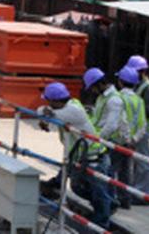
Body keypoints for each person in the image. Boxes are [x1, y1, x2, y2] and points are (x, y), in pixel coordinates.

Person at [38, 82, 113, 228]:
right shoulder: (68, 106)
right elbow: (42, 111)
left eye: (49, 101)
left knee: (99, 192)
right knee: (78, 187)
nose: (47, 103)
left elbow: (45, 113)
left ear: (55, 101)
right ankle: (106, 206)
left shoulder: (73, 111)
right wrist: (45, 116)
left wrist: (45, 116)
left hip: (94, 157)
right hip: (79, 157)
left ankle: (102, 222)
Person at [84, 66, 128, 212]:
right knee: (105, 176)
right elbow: (99, 118)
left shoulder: (114, 100)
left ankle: (108, 205)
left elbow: (111, 125)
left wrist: (96, 140)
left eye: (92, 87)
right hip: (103, 141)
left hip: (111, 142)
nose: (92, 91)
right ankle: (108, 203)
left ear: (100, 84)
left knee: (106, 176)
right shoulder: (103, 97)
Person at [115, 65, 147, 209]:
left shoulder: (119, 98)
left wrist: (126, 139)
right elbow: (143, 124)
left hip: (118, 140)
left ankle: (112, 199)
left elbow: (122, 121)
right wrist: (134, 140)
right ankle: (125, 200)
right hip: (131, 142)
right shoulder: (139, 100)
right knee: (126, 172)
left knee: (111, 170)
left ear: (120, 82)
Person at [127, 54, 149, 200]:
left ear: (142, 71)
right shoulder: (138, 85)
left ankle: (143, 194)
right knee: (135, 161)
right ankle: (136, 190)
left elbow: (148, 112)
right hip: (135, 129)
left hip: (142, 130)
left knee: (144, 162)